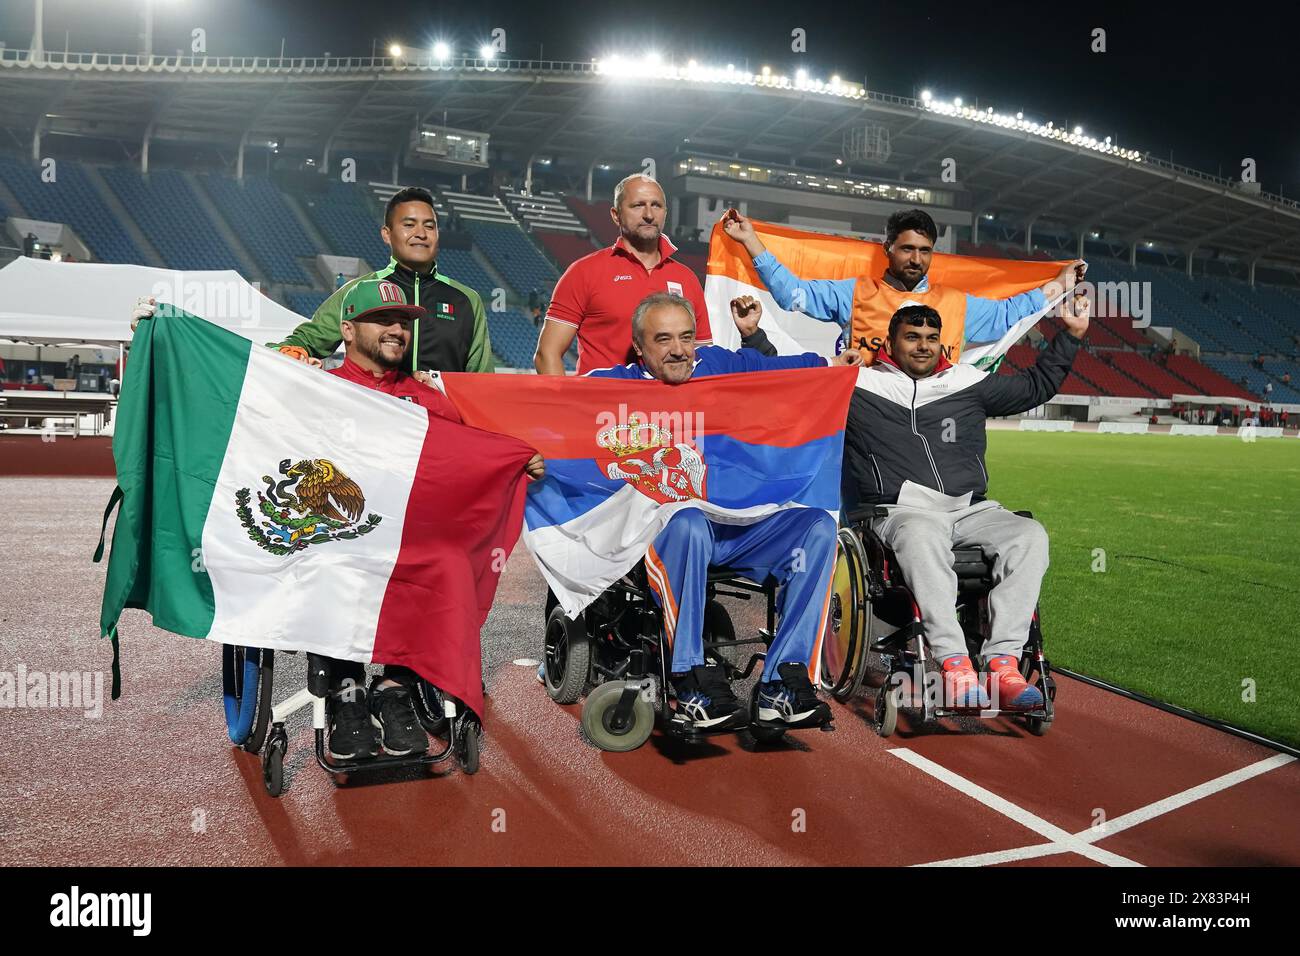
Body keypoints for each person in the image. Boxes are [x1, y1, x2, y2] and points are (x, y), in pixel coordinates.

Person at [750, 291, 1090, 710]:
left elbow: (1035, 387)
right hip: (900, 512)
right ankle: (954, 662)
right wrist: (755, 337)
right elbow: (795, 383)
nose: (924, 344)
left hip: (968, 509)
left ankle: (1003, 661)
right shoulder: (859, 383)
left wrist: (1071, 336)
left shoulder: (966, 382)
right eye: (913, 336)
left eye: (931, 336)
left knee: (1029, 535)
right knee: (921, 532)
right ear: (891, 343)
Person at [584, 292, 859, 730]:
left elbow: (784, 372)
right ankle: (690, 680)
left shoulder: (719, 366)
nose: (679, 349)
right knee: (688, 520)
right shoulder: (610, 386)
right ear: (639, 347)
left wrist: (832, 365)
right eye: (664, 339)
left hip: (737, 527)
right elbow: (546, 405)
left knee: (818, 527)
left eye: (686, 337)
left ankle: (781, 685)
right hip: (666, 534)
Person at [309, 277, 543, 760]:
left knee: (447, 561)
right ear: (348, 331)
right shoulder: (318, 390)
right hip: (342, 536)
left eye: (403, 323)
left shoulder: (432, 399)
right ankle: (346, 689)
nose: (397, 329)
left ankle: (396, 685)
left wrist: (519, 460)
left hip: (412, 540)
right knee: (334, 558)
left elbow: (476, 456)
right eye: (383, 321)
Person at [720, 206, 1084, 365]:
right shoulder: (855, 294)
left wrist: (1062, 283)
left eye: (925, 251)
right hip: (862, 421)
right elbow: (792, 294)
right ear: (888, 249)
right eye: (907, 248)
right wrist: (750, 241)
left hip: (929, 427)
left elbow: (1011, 313)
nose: (916, 259)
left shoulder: (955, 304)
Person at [271, 186, 495, 375]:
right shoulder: (359, 291)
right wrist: (294, 354)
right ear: (387, 234)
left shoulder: (467, 300)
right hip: (376, 423)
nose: (421, 233)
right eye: (409, 225)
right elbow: (305, 341)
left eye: (429, 226)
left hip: (441, 424)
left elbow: (482, 382)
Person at [534, 174, 713, 375]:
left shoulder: (686, 277)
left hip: (668, 407)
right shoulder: (584, 272)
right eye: (637, 205)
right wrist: (570, 405)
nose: (649, 214)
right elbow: (547, 354)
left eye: (656, 205)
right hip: (603, 404)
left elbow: (702, 356)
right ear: (616, 214)